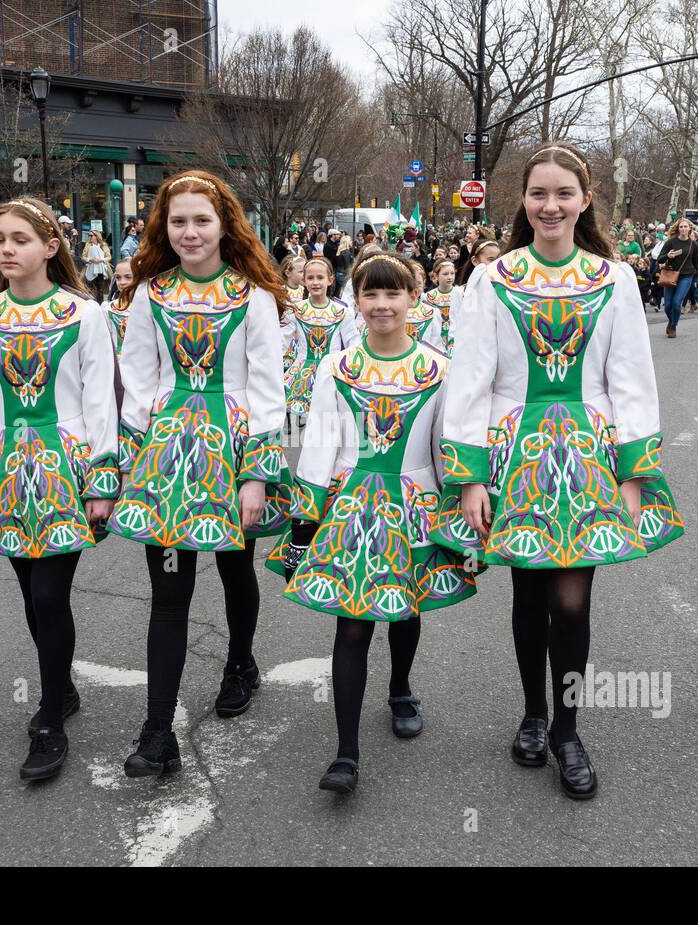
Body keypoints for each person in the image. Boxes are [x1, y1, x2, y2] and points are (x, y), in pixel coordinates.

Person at [434, 143, 684, 800]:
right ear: (524, 200)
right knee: (527, 596)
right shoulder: (491, 279)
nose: (550, 205)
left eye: (563, 194)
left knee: (571, 601)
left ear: (585, 199)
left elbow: (631, 379)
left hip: (590, 460)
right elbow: (470, 381)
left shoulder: (615, 279)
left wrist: (634, 474)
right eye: (538, 194)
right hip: (515, 454)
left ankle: (568, 730)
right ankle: (533, 713)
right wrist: (470, 476)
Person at [269, 251, 475, 794]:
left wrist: (453, 512)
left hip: (414, 503)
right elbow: (317, 444)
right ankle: (346, 752)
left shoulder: (439, 368)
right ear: (355, 300)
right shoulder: (335, 368)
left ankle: (401, 687)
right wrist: (306, 518)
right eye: (370, 294)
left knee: (405, 609)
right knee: (352, 622)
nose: (382, 304)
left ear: (413, 297)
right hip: (350, 503)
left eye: (393, 293)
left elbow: (444, 447)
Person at [108, 170, 290, 777]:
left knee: (237, 571)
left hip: (233, 452)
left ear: (224, 226)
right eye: (178, 221)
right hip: (167, 458)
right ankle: (157, 729)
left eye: (201, 220)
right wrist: (133, 460)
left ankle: (240, 661)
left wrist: (257, 474)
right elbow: (136, 381)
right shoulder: (149, 294)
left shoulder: (253, 296)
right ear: (165, 227)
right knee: (169, 593)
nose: (189, 232)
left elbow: (268, 390)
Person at [0, 196, 120, 782]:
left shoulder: (83, 314)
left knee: (48, 595)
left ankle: (49, 718)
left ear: (51, 247)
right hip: (5, 473)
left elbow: (99, 401)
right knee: (28, 592)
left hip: (66, 471)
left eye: (20, 239)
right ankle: (60, 686)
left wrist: (102, 478)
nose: (7, 249)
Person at [284, 256, 358, 426]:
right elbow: (282, 340)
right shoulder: (296, 309)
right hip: (302, 373)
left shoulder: (342, 312)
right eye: (310, 278)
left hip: (331, 372)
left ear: (330, 280)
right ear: (304, 281)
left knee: (329, 423)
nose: (315, 282)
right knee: (309, 426)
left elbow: (352, 343)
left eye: (320, 277)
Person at [423, 258, 456, 356]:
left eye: (452, 273)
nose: (450, 277)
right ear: (436, 276)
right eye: (445, 274)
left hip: (455, 336)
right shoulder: (428, 296)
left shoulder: (460, 294)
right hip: (435, 337)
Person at [83, 231, 111, 303]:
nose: (90, 237)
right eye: (89, 235)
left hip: (101, 269)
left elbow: (108, 257)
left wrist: (101, 260)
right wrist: (90, 259)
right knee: (90, 288)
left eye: (91, 235)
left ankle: (100, 304)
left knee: (100, 289)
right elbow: (83, 257)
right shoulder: (88, 245)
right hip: (90, 269)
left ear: (96, 236)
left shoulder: (103, 245)